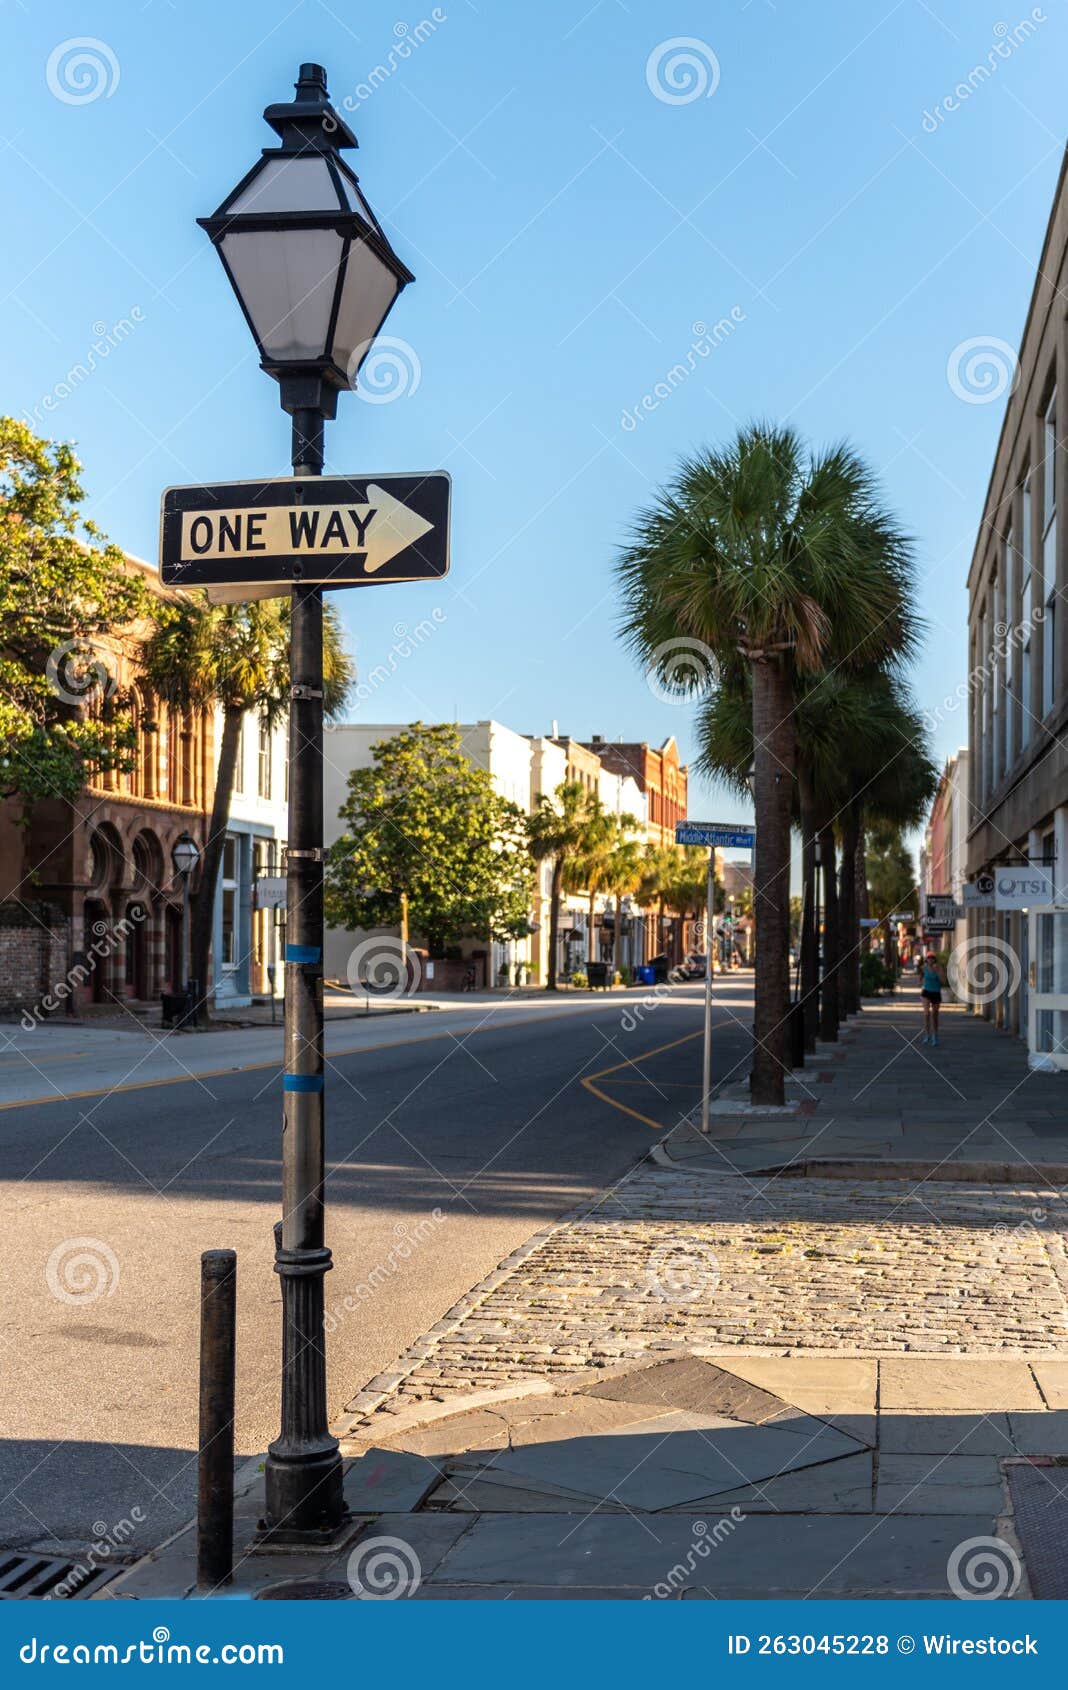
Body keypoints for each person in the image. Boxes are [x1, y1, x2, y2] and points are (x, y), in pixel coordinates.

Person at [920, 950, 946, 1045]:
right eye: (928, 958)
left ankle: (935, 1036)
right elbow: (921, 979)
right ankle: (927, 1035)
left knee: (935, 1015)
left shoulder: (939, 968)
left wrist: (938, 972)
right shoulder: (924, 968)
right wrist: (923, 985)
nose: (930, 960)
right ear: (926, 960)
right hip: (926, 992)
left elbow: (943, 981)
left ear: (934, 960)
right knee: (926, 1014)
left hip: (936, 992)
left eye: (932, 958)